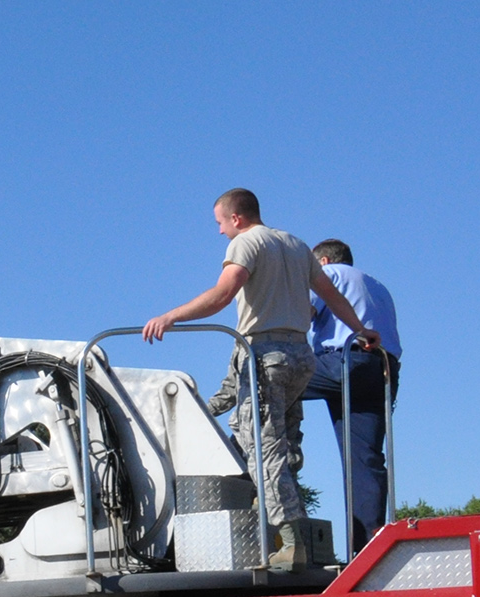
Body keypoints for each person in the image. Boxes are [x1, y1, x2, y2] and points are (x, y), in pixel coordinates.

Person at [142, 189, 377, 570]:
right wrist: (361, 330)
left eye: (219, 222)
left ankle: (290, 537)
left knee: (263, 447)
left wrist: (171, 316)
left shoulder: (247, 243)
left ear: (236, 218)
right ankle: (267, 508)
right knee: (278, 440)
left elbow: (223, 293)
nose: (219, 231)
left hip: (265, 355)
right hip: (300, 357)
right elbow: (331, 294)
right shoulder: (296, 244)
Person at [302, 239, 401, 554]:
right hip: (383, 370)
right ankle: (367, 548)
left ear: (325, 261)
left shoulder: (328, 276)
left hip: (344, 362)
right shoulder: (378, 287)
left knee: (271, 379)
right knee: (365, 460)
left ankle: (255, 463)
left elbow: (301, 314)